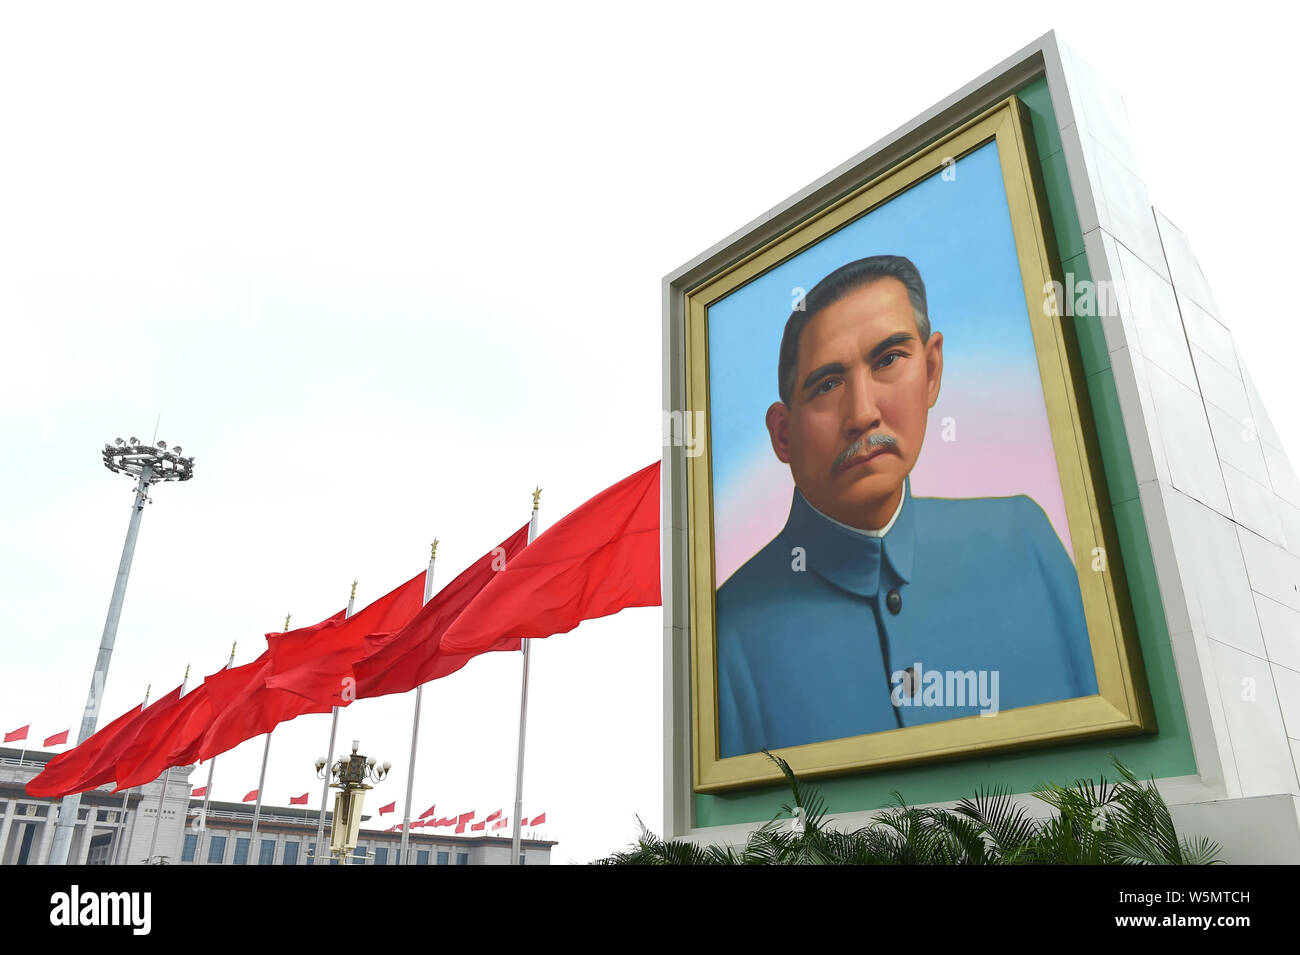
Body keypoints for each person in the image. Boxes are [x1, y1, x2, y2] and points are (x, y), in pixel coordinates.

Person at [715, 254, 1097, 759]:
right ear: (784, 434)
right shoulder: (727, 635)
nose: (862, 413)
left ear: (932, 369)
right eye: (827, 385)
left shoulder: (1024, 540)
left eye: (888, 359)